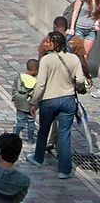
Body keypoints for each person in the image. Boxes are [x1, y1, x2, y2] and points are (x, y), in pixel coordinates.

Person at [26, 30, 87, 179]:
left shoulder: (46, 60)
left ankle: (38, 158)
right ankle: (64, 170)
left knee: (44, 130)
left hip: (49, 100)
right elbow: (80, 80)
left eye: (48, 41)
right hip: (68, 100)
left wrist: (34, 102)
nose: (46, 43)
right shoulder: (73, 59)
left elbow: (40, 85)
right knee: (65, 134)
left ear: (55, 43)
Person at [67, 0, 100, 65]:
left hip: (91, 30)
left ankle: (82, 73)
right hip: (79, 28)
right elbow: (75, 11)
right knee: (77, 53)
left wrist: (97, 23)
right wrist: (72, 27)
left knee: (85, 54)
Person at [11, 59, 38, 144]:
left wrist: (14, 97)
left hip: (19, 103)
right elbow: (36, 93)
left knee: (20, 121)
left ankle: (15, 137)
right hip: (30, 105)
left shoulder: (19, 77)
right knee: (31, 122)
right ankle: (30, 140)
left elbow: (14, 89)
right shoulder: (35, 81)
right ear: (34, 69)